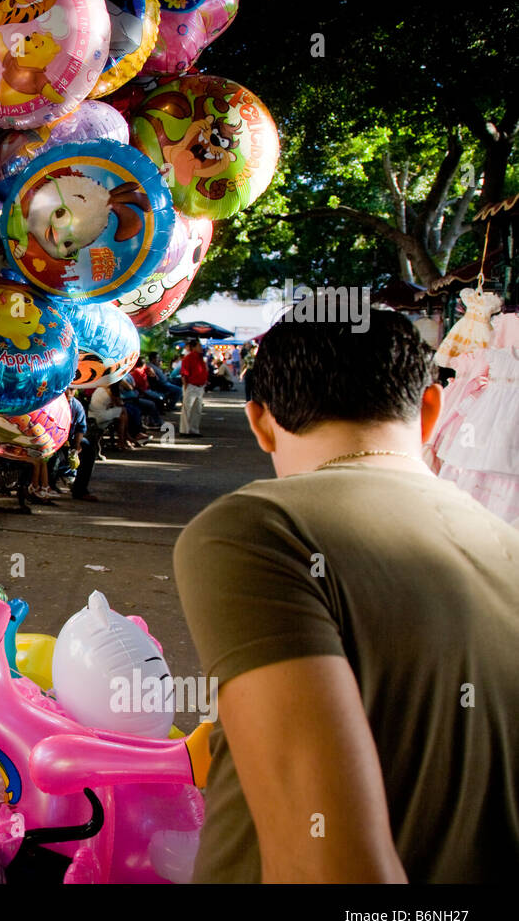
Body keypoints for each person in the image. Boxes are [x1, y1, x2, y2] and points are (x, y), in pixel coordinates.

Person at [172, 302, 519, 882]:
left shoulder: (262, 529)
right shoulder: (506, 549)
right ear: (431, 409)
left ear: (259, 421)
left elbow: (328, 865)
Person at [178, 338, 208, 437]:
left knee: (197, 409)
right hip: (191, 385)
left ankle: (194, 429)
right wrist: (186, 386)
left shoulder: (200, 358)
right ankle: (185, 430)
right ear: (194, 347)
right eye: (199, 346)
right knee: (188, 409)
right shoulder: (188, 358)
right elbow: (184, 374)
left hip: (199, 386)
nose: (201, 348)